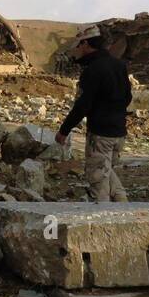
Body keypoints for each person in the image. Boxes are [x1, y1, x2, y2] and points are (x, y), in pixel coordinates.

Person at [55, 25, 132, 203]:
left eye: (79, 45)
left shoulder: (93, 70)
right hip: (119, 133)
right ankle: (124, 206)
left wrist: (64, 130)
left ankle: (104, 222)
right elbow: (128, 97)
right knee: (108, 173)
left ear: (86, 44)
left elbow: (82, 106)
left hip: (101, 135)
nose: (77, 50)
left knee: (99, 184)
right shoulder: (119, 65)